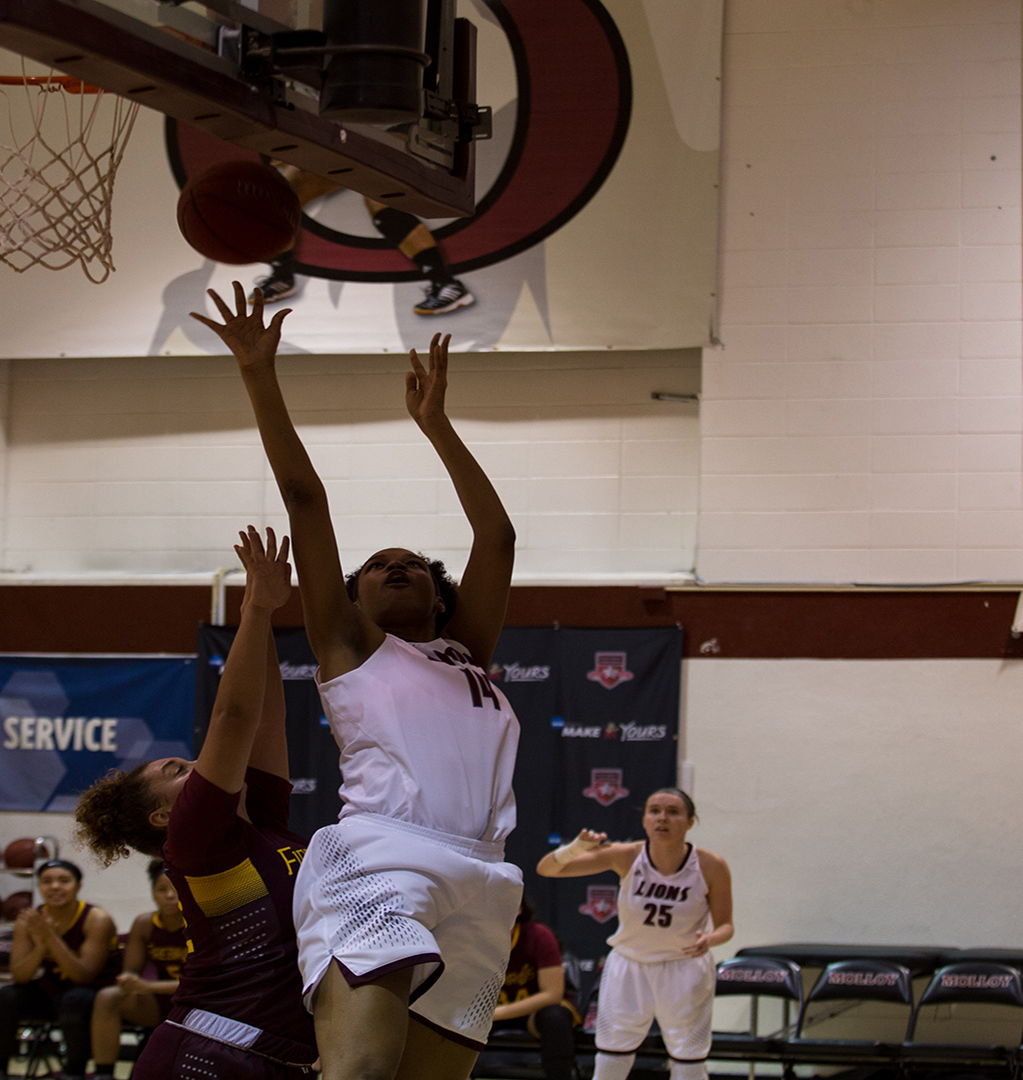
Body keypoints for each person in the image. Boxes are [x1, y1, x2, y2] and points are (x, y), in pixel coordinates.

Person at [197, 283, 523, 1078]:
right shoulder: (352, 647)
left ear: (441, 598)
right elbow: (306, 500)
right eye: (377, 566)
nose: (396, 563)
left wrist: (438, 427)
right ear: (351, 605)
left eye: (411, 561)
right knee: (361, 1074)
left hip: (486, 879)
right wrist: (257, 375)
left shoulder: (463, 653)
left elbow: (498, 534)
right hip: (381, 858)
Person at [72, 524, 318, 1078]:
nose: (198, 767)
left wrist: (271, 616)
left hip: (277, 1063)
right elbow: (233, 720)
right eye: (178, 770)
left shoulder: (261, 822)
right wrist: (254, 606)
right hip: (206, 1058)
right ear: (164, 815)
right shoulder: (195, 839)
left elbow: (264, 721)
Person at [536, 788, 735, 1080]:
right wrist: (576, 848)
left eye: (673, 812)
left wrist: (710, 940)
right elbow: (547, 869)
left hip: (684, 966)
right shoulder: (627, 856)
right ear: (644, 820)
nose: (662, 818)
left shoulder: (710, 866)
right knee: (612, 1055)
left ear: (690, 822)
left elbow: (726, 926)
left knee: (688, 1059)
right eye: (654, 811)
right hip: (629, 964)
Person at [255, 165, 474, 316]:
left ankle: (446, 283)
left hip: (384, 129)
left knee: (382, 200)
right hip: (340, 132)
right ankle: (282, 275)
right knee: (282, 195)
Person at [0, 860, 117, 1080]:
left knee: (75, 999)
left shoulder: (96, 919)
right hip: (53, 989)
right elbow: (20, 976)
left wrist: (51, 938)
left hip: (91, 992)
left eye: (64, 881)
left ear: (78, 886)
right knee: (6, 996)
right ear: (39, 887)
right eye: (47, 881)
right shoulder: (29, 920)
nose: (55, 886)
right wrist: (41, 946)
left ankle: (74, 1072)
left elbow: (83, 976)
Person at [88, 860, 188, 1077]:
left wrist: (146, 986)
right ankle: (103, 1073)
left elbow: (200, 984)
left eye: (176, 889)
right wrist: (128, 980)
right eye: (162, 889)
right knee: (108, 996)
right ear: (152, 893)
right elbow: (131, 969)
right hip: (159, 1000)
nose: (170, 896)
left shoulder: (199, 924)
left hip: (194, 1003)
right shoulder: (144, 924)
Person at [485, 899, 579, 1080]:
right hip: (486, 1014)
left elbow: (553, 994)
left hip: (531, 1014)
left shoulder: (538, 935)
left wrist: (498, 1012)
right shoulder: (473, 939)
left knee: (556, 1017)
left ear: (519, 908)